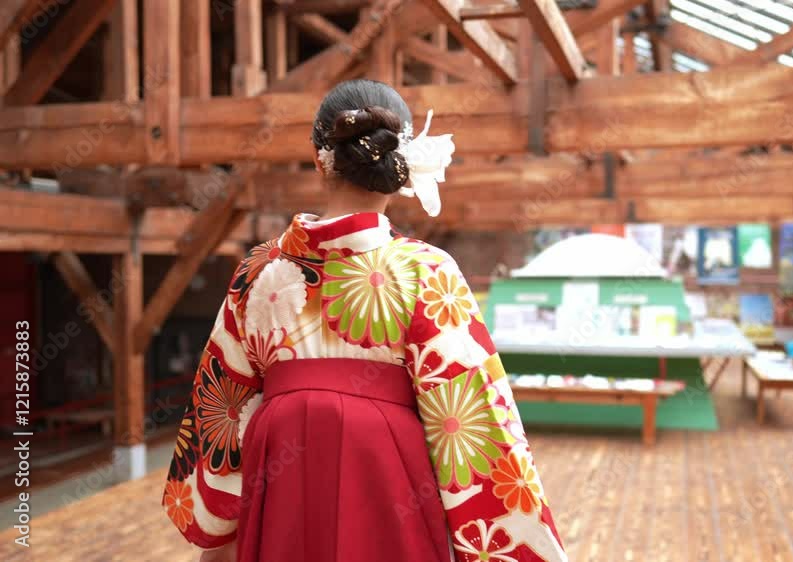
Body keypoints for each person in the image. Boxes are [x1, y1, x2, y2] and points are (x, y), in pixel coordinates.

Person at [161, 79, 567, 562]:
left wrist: (218, 528)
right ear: (403, 166)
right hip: (385, 474)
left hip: (282, 469)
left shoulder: (260, 270)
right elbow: (470, 415)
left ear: (318, 159)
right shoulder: (427, 270)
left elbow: (222, 407)